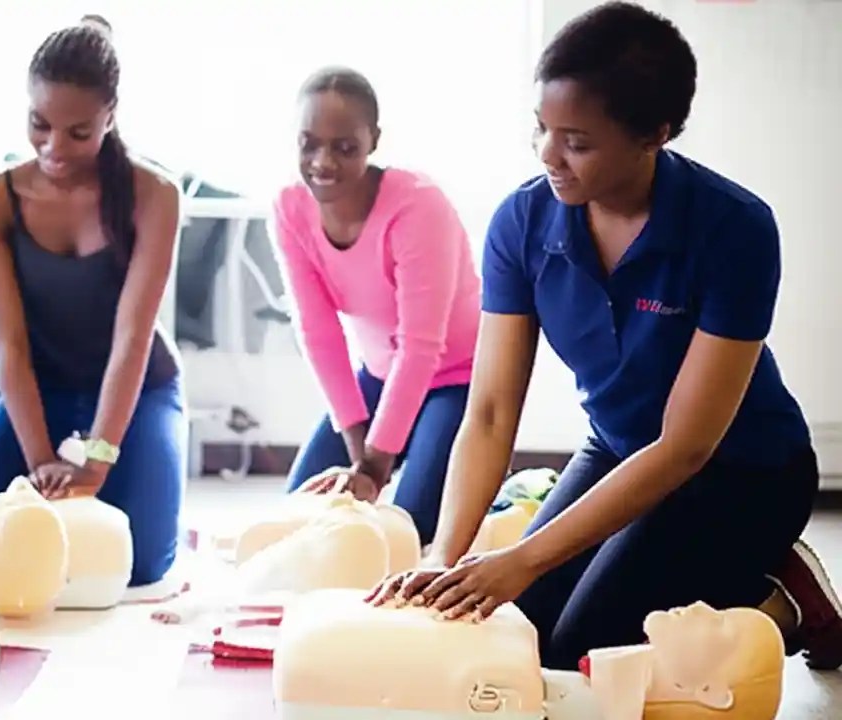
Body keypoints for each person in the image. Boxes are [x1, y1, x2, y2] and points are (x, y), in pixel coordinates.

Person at [367, 1, 842, 672]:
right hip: (618, 451)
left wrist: (523, 558)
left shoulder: (736, 228)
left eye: (578, 141)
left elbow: (685, 447)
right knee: (512, 631)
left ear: (656, 134)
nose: (548, 155)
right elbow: (492, 411)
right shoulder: (522, 223)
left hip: (740, 474)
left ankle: (783, 601)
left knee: (581, 652)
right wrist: (445, 558)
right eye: (541, 128)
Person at [0, 22, 185, 587]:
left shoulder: (155, 196)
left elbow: (132, 338)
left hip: (139, 388)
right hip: (41, 386)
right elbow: (8, 344)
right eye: (39, 125)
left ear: (111, 116)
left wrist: (97, 458)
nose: (54, 148)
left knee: (140, 563)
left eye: (78, 131)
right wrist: (41, 458)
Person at [275, 67, 480, 542]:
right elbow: (318, 334)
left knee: (405, 531)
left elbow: (422, 347)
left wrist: (374, 466)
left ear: (373, 141)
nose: (322, 162)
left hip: (459, 375)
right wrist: (356, 449)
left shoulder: (417, 206)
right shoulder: (289, 207)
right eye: (308, 144)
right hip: (382, 373)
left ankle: (487, 494)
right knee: (300, 517)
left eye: (344, 147)